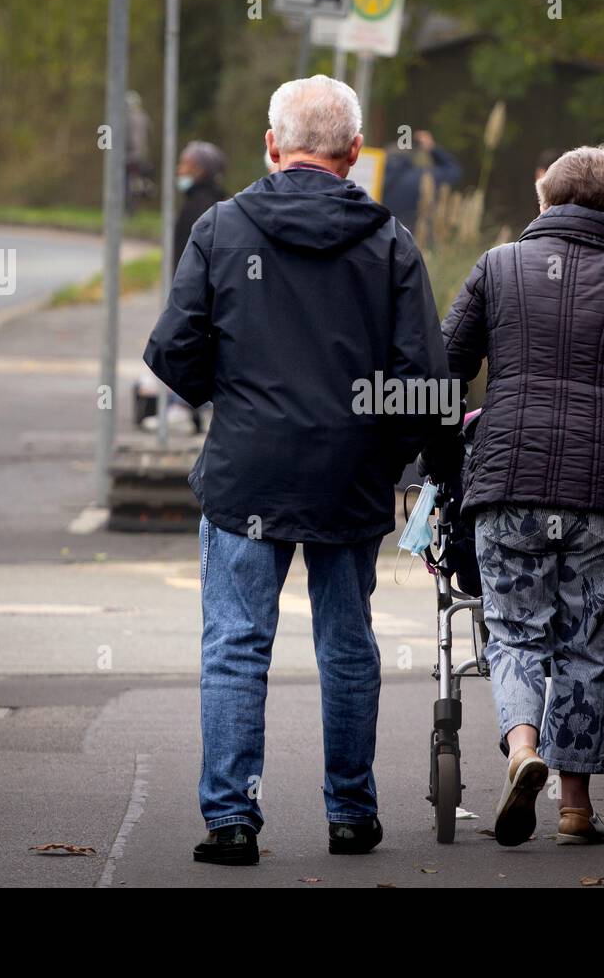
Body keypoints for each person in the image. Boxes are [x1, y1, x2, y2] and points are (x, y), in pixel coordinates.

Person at [144, 75, 449, 866]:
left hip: (248, 471)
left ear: (272, 147)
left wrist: (240, 401)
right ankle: (351, 812)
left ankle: (233, 820)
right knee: (348, 643)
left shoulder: (221, 228)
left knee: (237, 643)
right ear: (353, 156)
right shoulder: (390, 242)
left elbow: (173, 353)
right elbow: (424, 377)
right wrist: (387, 452)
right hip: (349, 472)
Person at [424, 146, 604, 847]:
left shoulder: (497, 267)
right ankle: (574, 805)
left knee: (515, 630)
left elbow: (441, 372)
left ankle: (524, 749)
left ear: (544, 204)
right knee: (586, 646)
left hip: (507, 483)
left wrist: (444, 462)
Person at [381, 129, 462, 231]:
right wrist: (432, 148)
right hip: (417, 237)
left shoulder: (373, 181)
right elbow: (454, 170)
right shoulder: (424, 177)